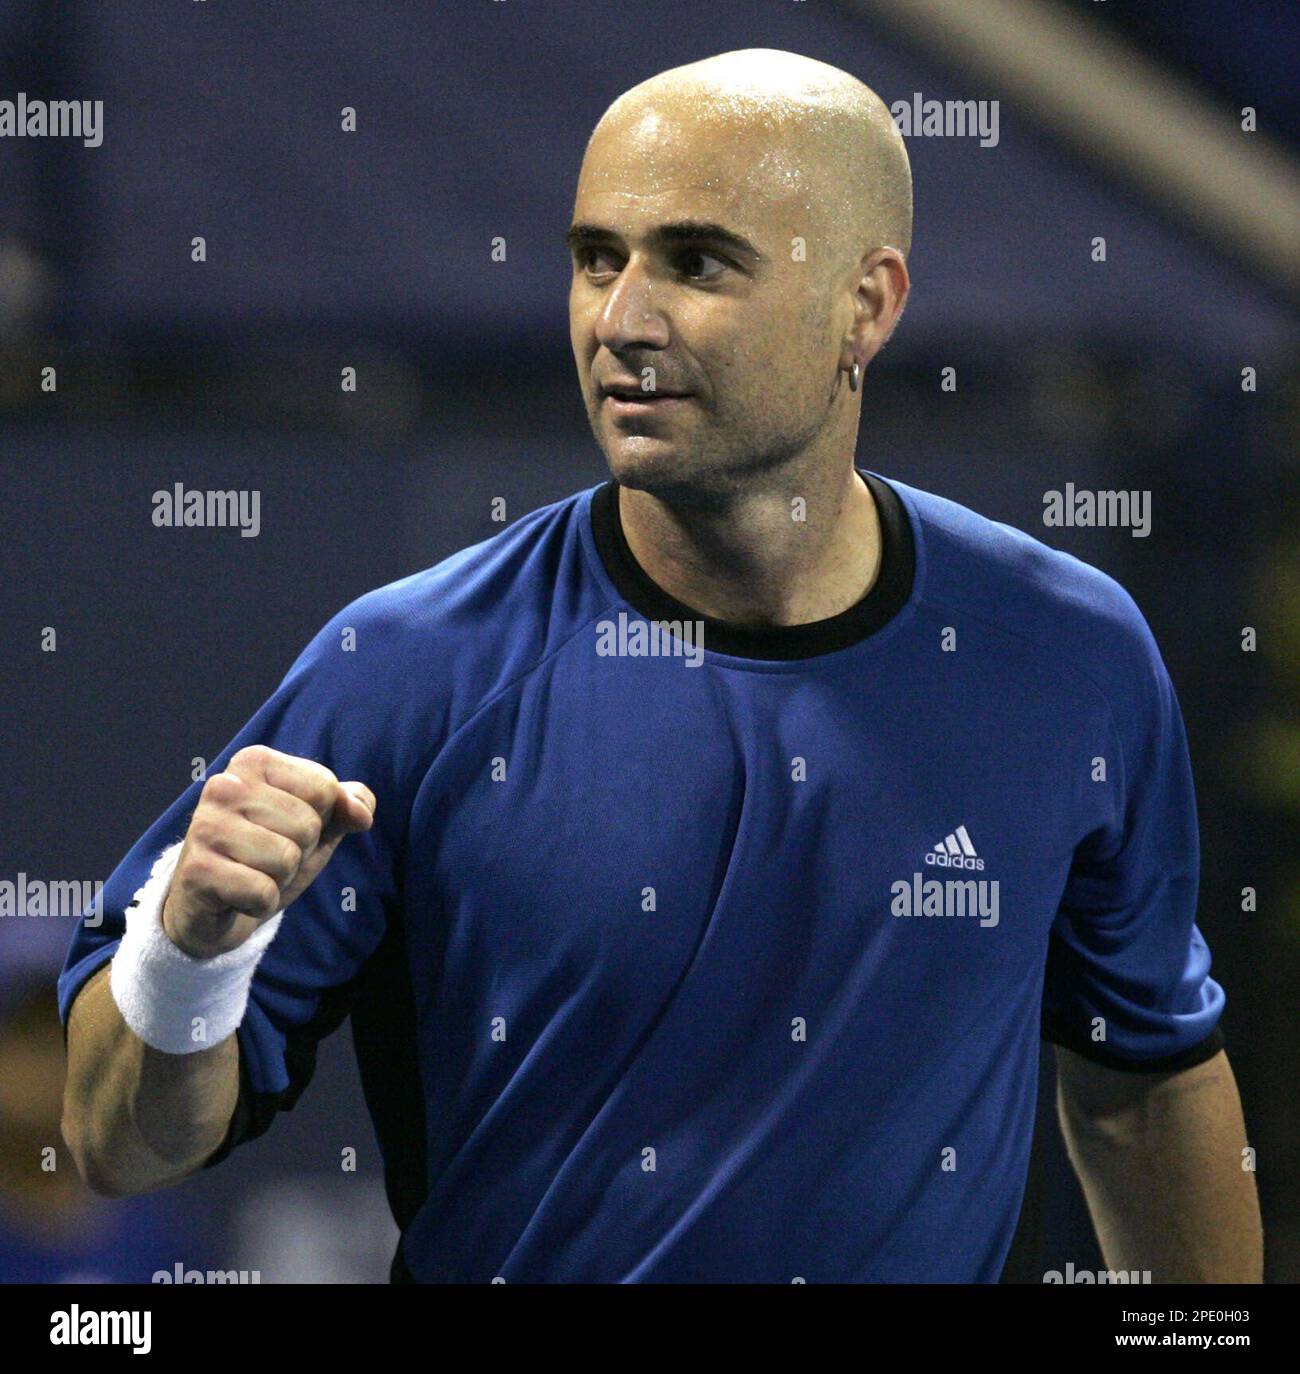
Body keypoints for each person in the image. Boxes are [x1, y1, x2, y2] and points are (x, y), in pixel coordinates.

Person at [60, 48, 1262, 1283]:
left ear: (868, 304)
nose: (621, 321)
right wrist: (187, 958)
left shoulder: (1072, 651)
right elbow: (117, 1148)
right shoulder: (408, 670)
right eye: (596, 258)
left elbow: (1144, 1083)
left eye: (695, 262)